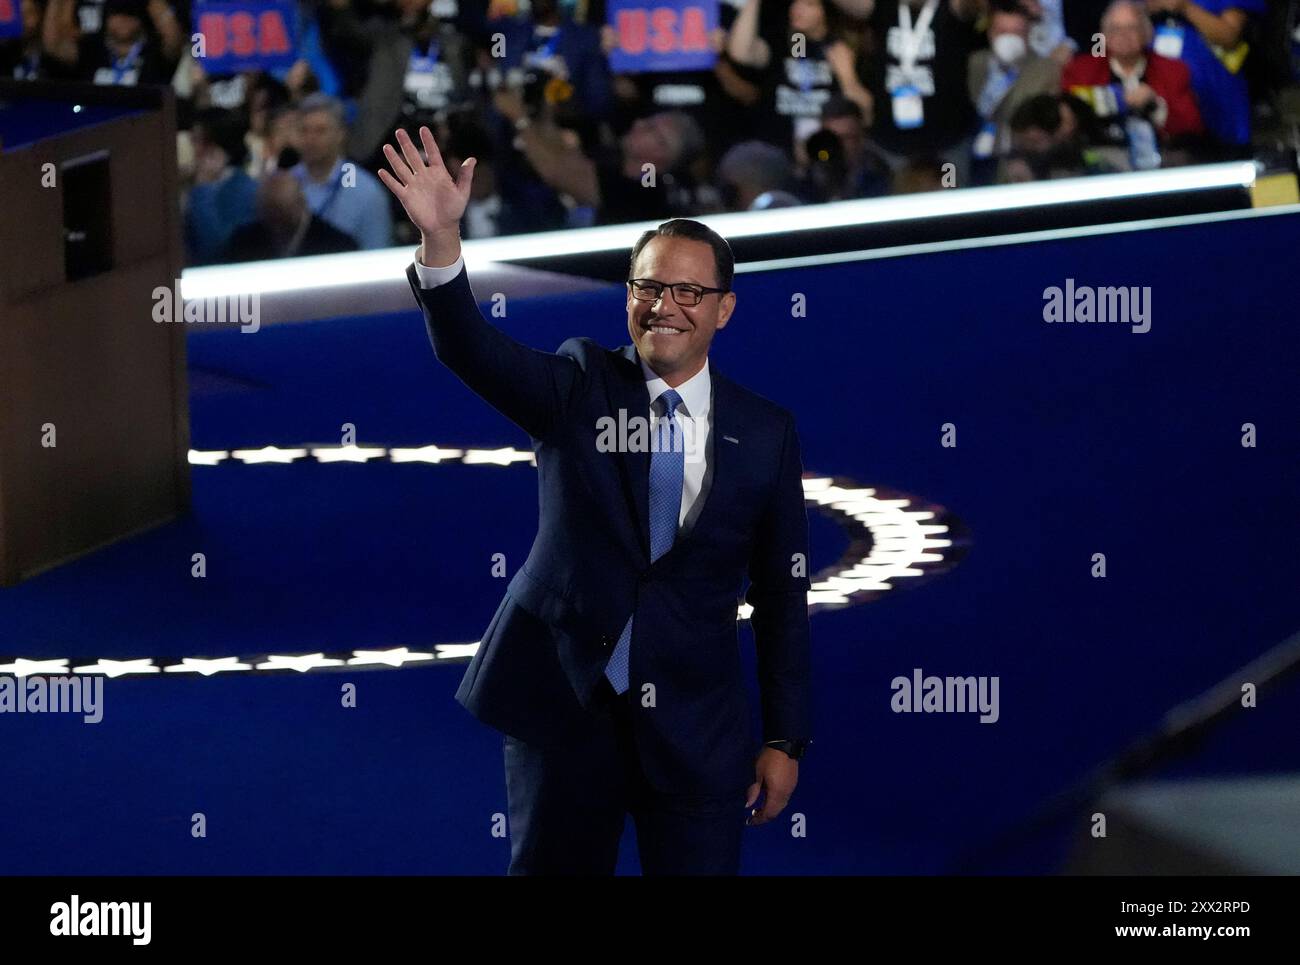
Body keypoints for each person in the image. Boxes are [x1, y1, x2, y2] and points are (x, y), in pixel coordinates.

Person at [379, 126, 813, 875]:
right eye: (647, 286)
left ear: (724, 310)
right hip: (565, 711)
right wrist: (442, 241)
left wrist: (784, 737)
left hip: (694, 727)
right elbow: (468, 348)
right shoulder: (580, 383)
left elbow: (782, 592)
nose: (663, 306)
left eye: (688, 291)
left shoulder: (767, 433)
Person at [290, 92, 394, 249]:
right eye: (304, 131)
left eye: (320, 131)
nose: (310, 139)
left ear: (340, 134)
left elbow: (376, 252)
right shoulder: (284, 184)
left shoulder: (366, 192)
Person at [221, 171, 360, 262]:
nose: (277, 224)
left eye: (282, 213)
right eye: (270, 213)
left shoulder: (338, 247)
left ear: (301, 204)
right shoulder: (242, 243)